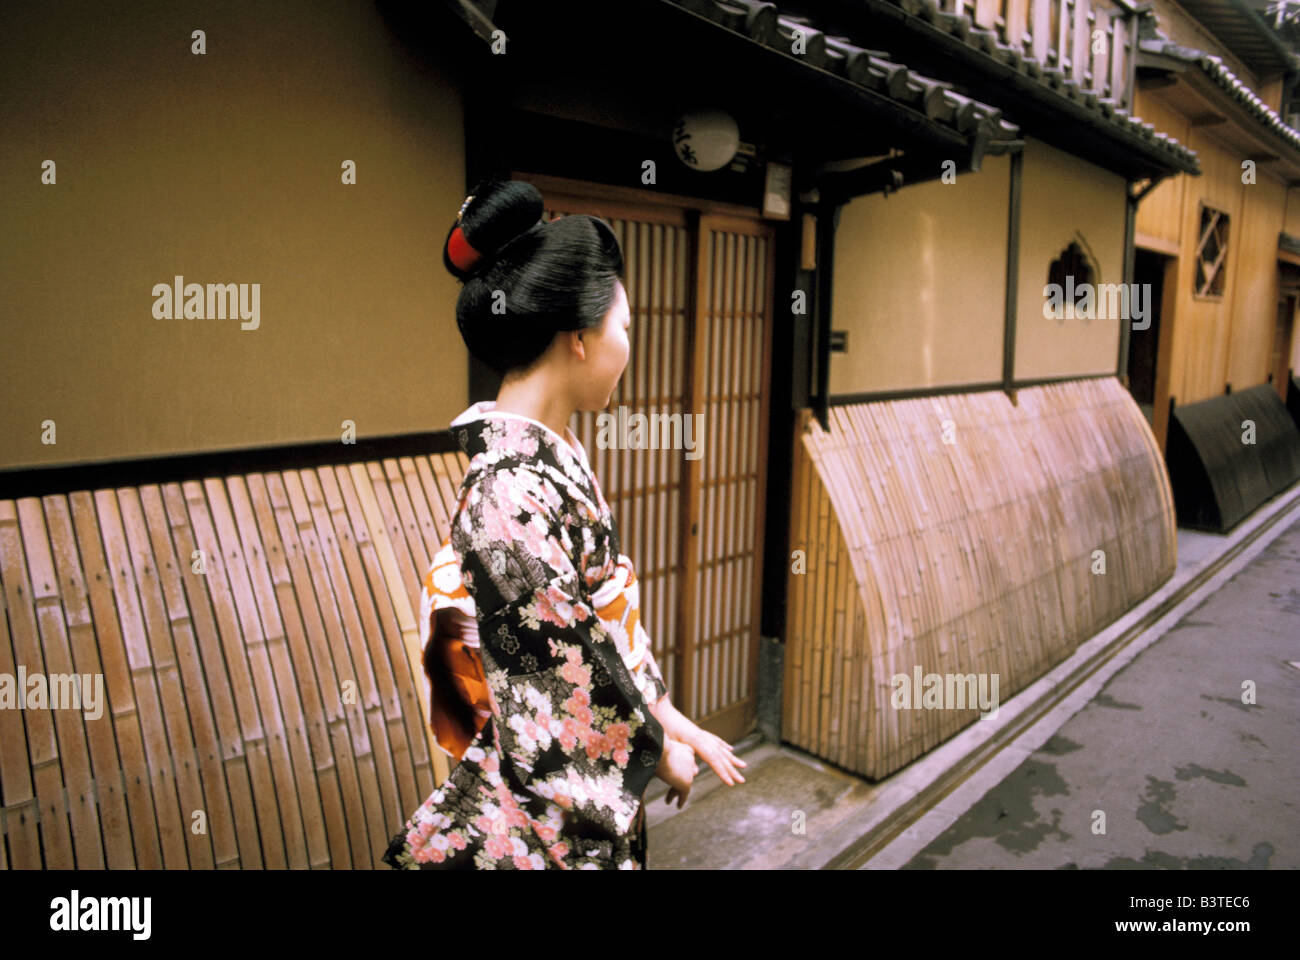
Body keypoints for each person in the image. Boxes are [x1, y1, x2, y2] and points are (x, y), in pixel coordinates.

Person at [381, 178, 745, 870]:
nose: (628, 347)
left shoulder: (548, 468)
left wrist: (669, 720)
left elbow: (602, 630)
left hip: (566, 808)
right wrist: (656, 754)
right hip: (534, 821)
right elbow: (553, 675)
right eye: (626, 328)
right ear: (579, 335)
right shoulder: (506, 492)